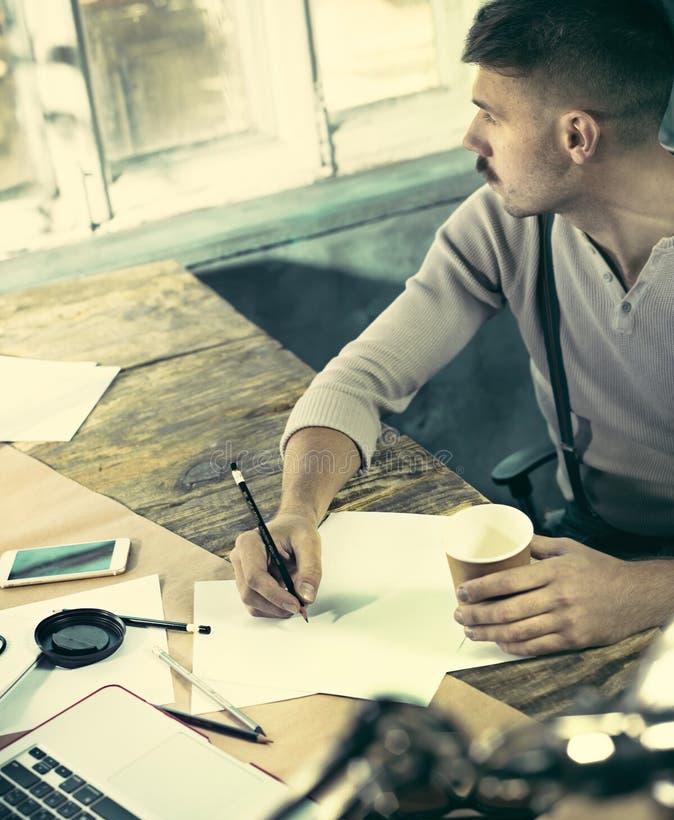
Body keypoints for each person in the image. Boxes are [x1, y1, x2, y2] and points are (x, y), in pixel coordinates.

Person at [231, 0, 674, 658]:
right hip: (584, 545)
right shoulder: (509, 225)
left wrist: (643, 593)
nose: (472, 137)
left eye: (492, 114)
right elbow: (359, 381)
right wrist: (298, 507)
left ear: (577, 136)